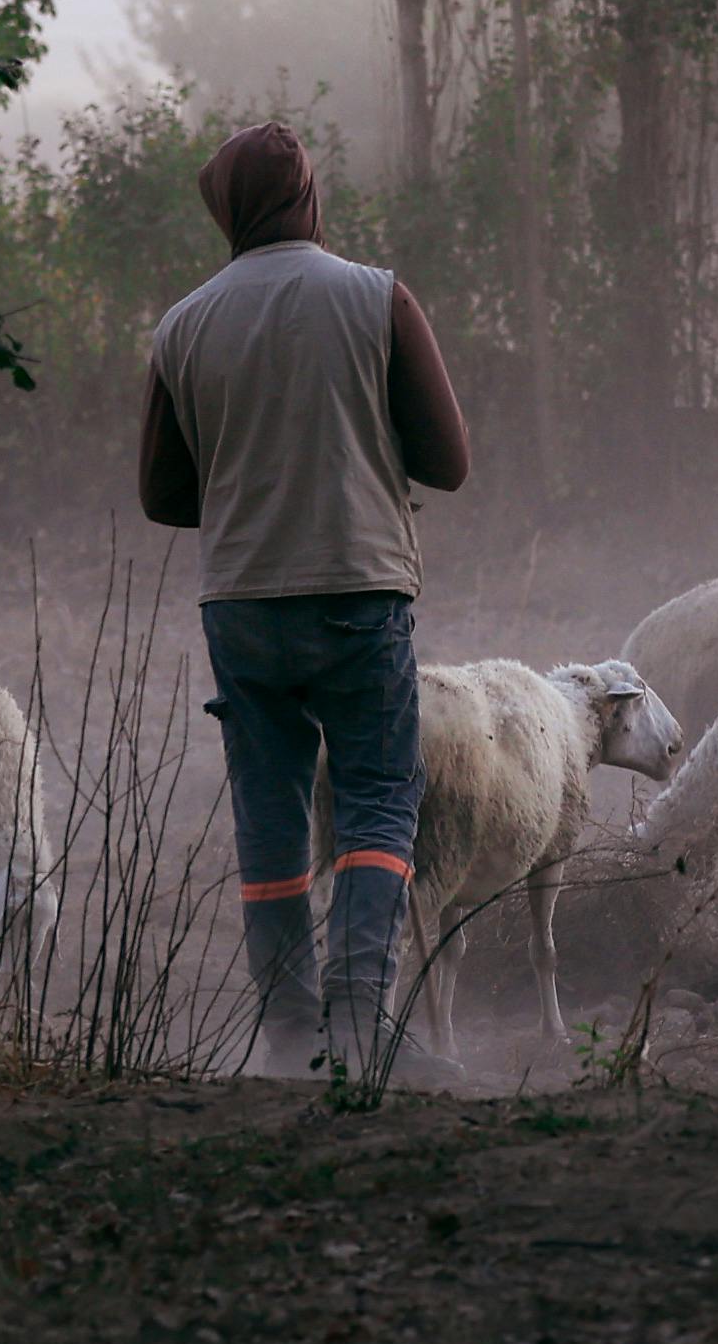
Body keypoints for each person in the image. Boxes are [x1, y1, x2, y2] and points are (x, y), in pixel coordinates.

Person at [141, 122, 471, 1080]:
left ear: (226, 208)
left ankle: (289, 1035)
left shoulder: (184, 324)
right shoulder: (377, 298)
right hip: (357, 593)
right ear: (308, 198)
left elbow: (164, 499)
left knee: (271, 815)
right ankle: (360, 1020)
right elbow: (448, 463)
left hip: (241, 604)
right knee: (376, 801)